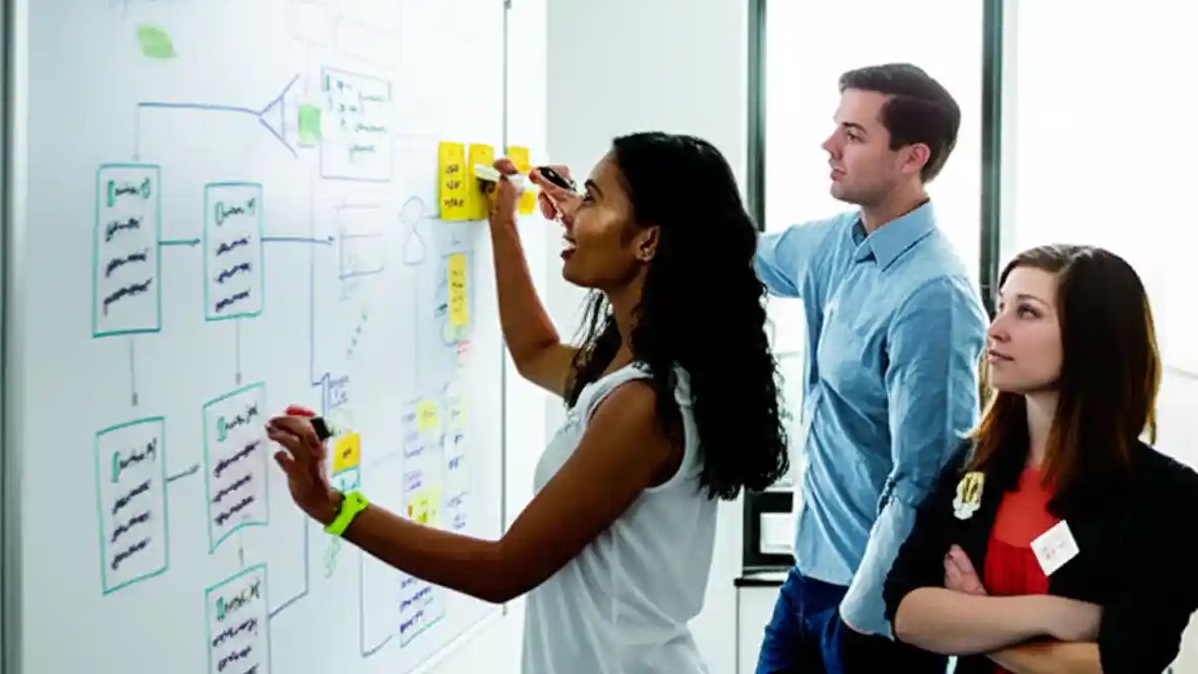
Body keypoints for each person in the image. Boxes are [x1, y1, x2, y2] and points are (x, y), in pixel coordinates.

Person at [266, 132, 790, 673]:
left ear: (647, 241)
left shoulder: (642, 407)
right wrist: (503, 223)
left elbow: (503, 570)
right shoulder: (639, 374)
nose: (568, 213)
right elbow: (534, 352)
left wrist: (333, 507)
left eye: (591, 197)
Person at [751, 63, 990, 672]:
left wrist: (865, 610)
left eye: (853, 135)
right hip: (806, 581)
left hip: (877, 606)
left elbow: (929, 473)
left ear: (913, 156)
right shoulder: (831, 243)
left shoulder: (934, 293)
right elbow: (734, 251)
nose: (829, 146)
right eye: (837, 128)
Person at [883, 244, 1198, 673]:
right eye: (1000, 307)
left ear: (1091, 337)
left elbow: (1125, 661)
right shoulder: (974, 464)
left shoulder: (1167, 496)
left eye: (1026, 312)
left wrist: (974, 617)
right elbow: (906, 611)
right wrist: (1050, 614)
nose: (995, 329)